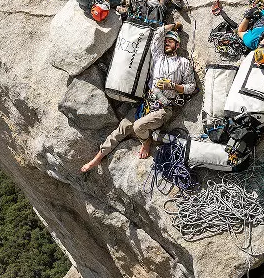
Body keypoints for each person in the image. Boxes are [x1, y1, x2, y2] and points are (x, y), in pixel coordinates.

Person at [81, 22, 196, 172]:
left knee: (138, 126)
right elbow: (158, 34)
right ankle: (96, 160)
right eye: (166, 41)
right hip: (146, 103)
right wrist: (173, 25)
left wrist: (173, 86)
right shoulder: (157, 56)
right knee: (121, 129)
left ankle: (146, 140)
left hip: (163, 108)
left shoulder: (183, 63)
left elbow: (191, 87)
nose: (167, 43)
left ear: (178, 45)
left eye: (171, 41)